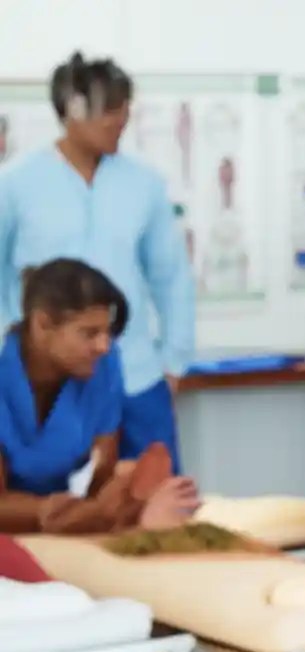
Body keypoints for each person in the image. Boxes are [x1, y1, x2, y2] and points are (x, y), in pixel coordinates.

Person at [0, 52, 194, 471]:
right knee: (57, 513)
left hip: (137, 374)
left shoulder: (144, 184)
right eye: (109, 109)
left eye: (124, 107)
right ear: (71, 111)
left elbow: (170, 276)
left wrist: (174, 362)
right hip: (47, 378)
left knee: (158, 504)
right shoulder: (15, 183)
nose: (120, 119)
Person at [0, 259, 199, 535]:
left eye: (107, 333)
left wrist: (129, 491)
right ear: (42, 324)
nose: (104, 346)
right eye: (89, 333)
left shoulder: (103, 366)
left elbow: (102, 475)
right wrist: (72, 513)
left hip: (61, 522)